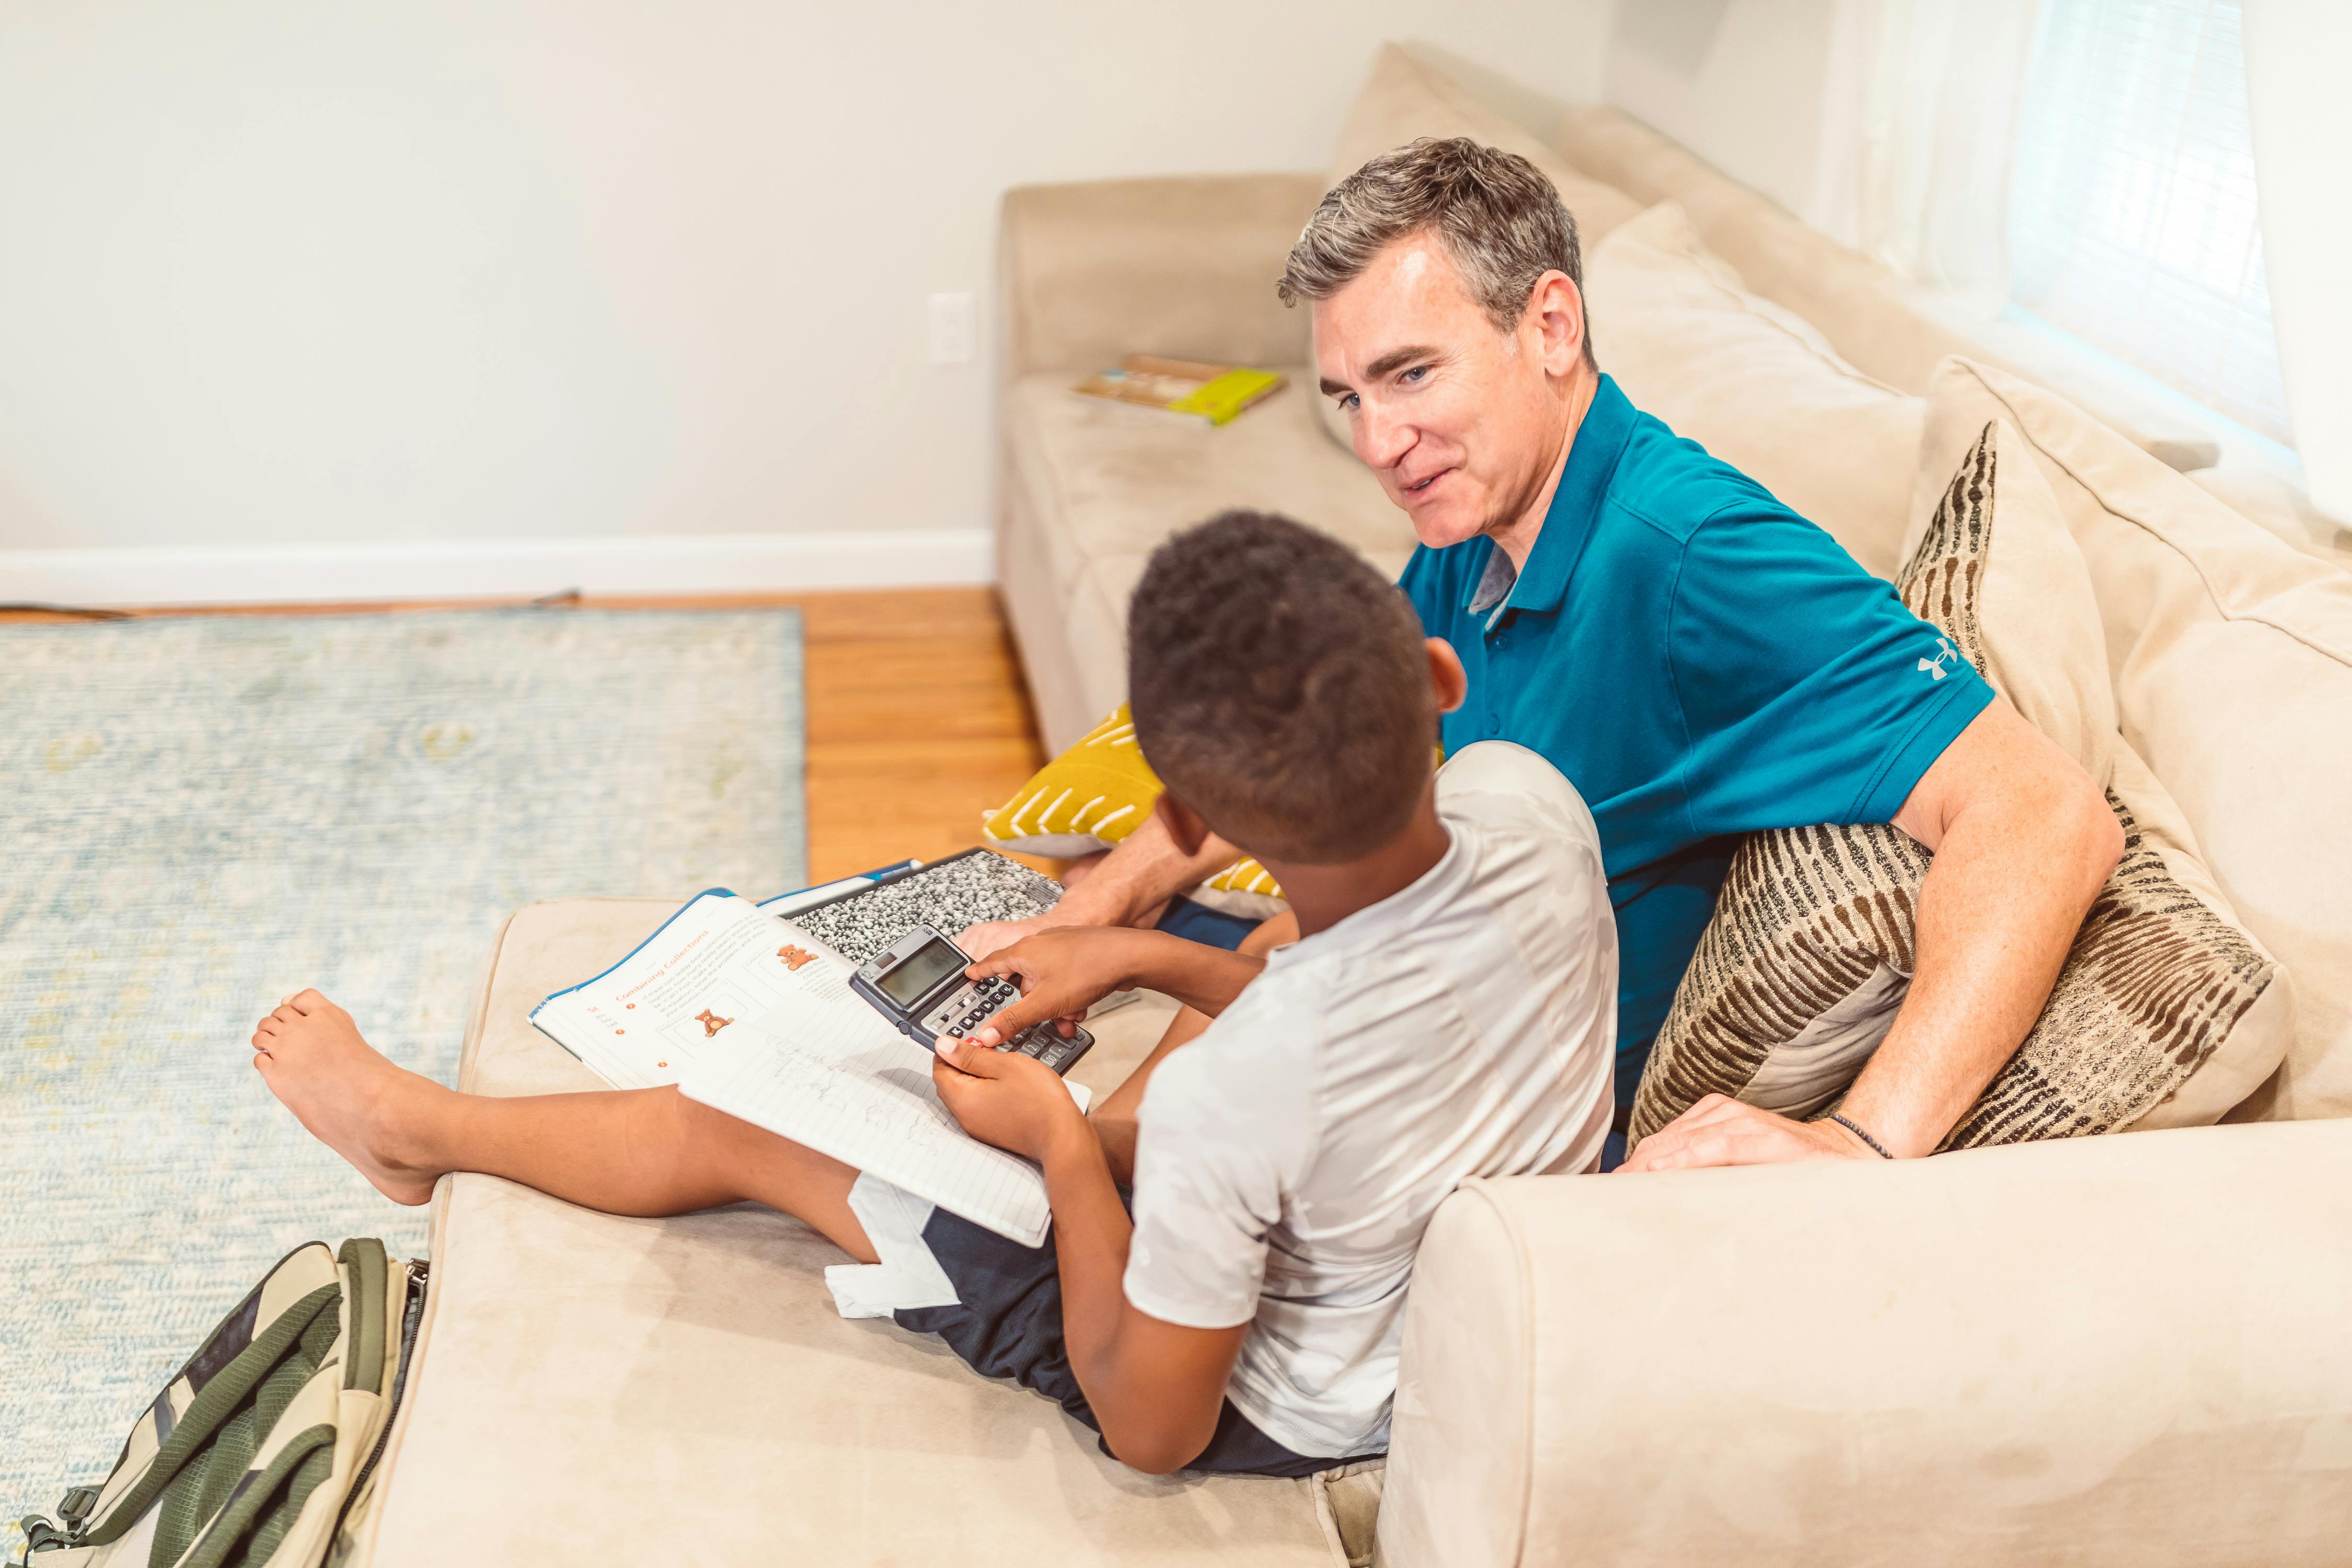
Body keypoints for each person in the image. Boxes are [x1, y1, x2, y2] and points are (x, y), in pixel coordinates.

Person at [248, 511, 1616, 1477]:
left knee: (750, 1112)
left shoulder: (1230, 1095)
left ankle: (413, 1131)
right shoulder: (1536, 814)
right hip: (1432, 1244)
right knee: (1244, 959)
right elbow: (1311, 1006)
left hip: (1306, 1404)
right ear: (1441, 684)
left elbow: (1154, 1429)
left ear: (1183, 816)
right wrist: (1136, 953)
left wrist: (1069, 1153)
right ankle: (1104, 1028)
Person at [963, 137, 2124, 1171]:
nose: (1379, 442)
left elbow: (2045, 814)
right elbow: (1324, 728)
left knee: (932, 1166)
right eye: (1350, 396)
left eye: (1412, 374)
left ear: (1552, 326)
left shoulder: (1693, 558)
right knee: (923, 1024)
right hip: (1385, 989)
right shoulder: (1479, 521)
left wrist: (1858, 1143)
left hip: (1480, 1113)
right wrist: (1101, 902)